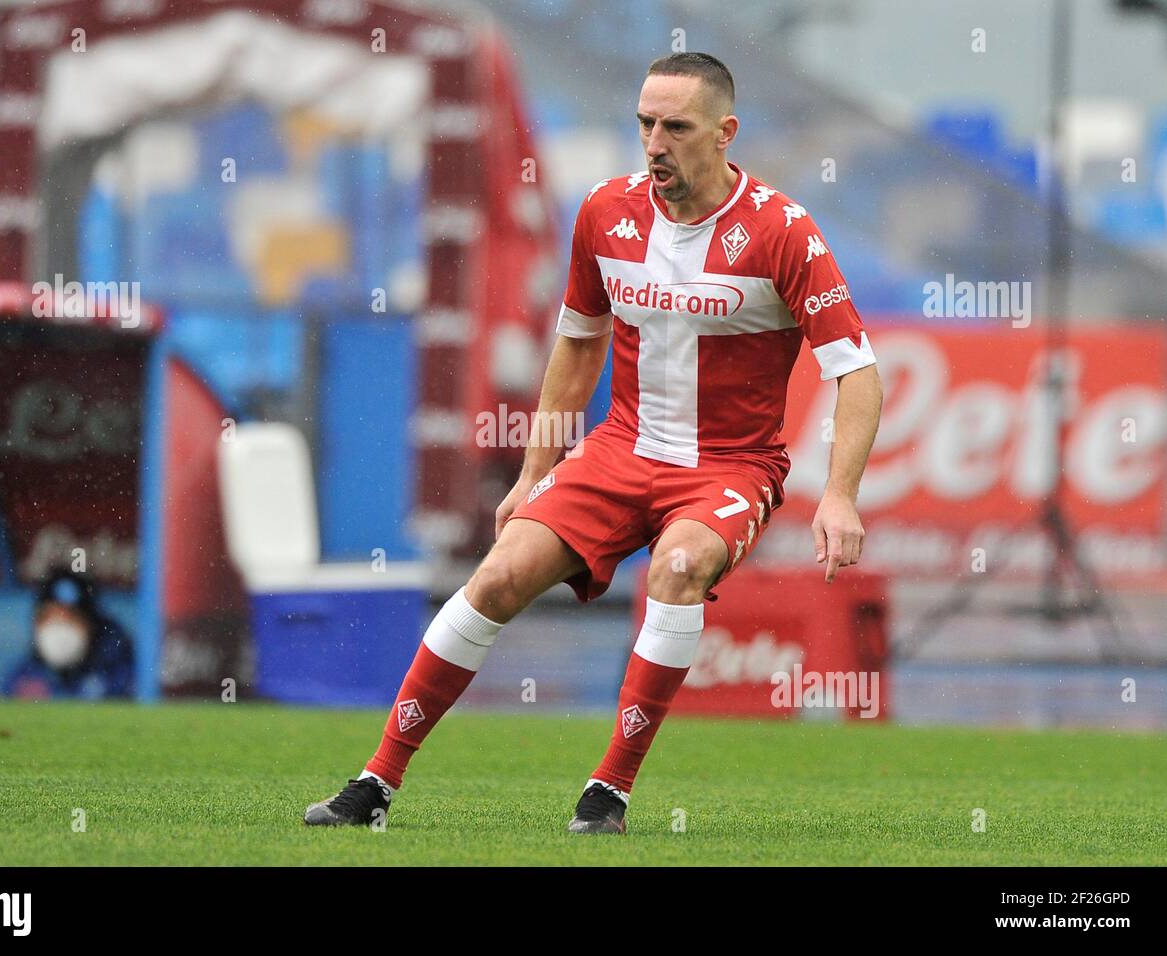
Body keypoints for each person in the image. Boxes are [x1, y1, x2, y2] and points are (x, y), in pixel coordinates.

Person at [305, 52, 883, 834]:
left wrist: (840, 495)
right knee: (497, 576)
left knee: (678, 568)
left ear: (725, 132)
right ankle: (375, 783)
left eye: (676, 127)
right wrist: (533, 474)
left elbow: (856, 372)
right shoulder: (606, 212)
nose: (655, 143)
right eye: (645, 123)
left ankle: (607, 793)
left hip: (728, 467)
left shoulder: (783, 231)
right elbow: (578, 346)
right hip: (618, 452)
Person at [5, 569, 134, 700]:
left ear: (91, 624)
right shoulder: (23, 679)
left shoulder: (120, 675)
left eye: (71, 617)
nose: (59, 628)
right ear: (37, 623)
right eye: (50, 617)